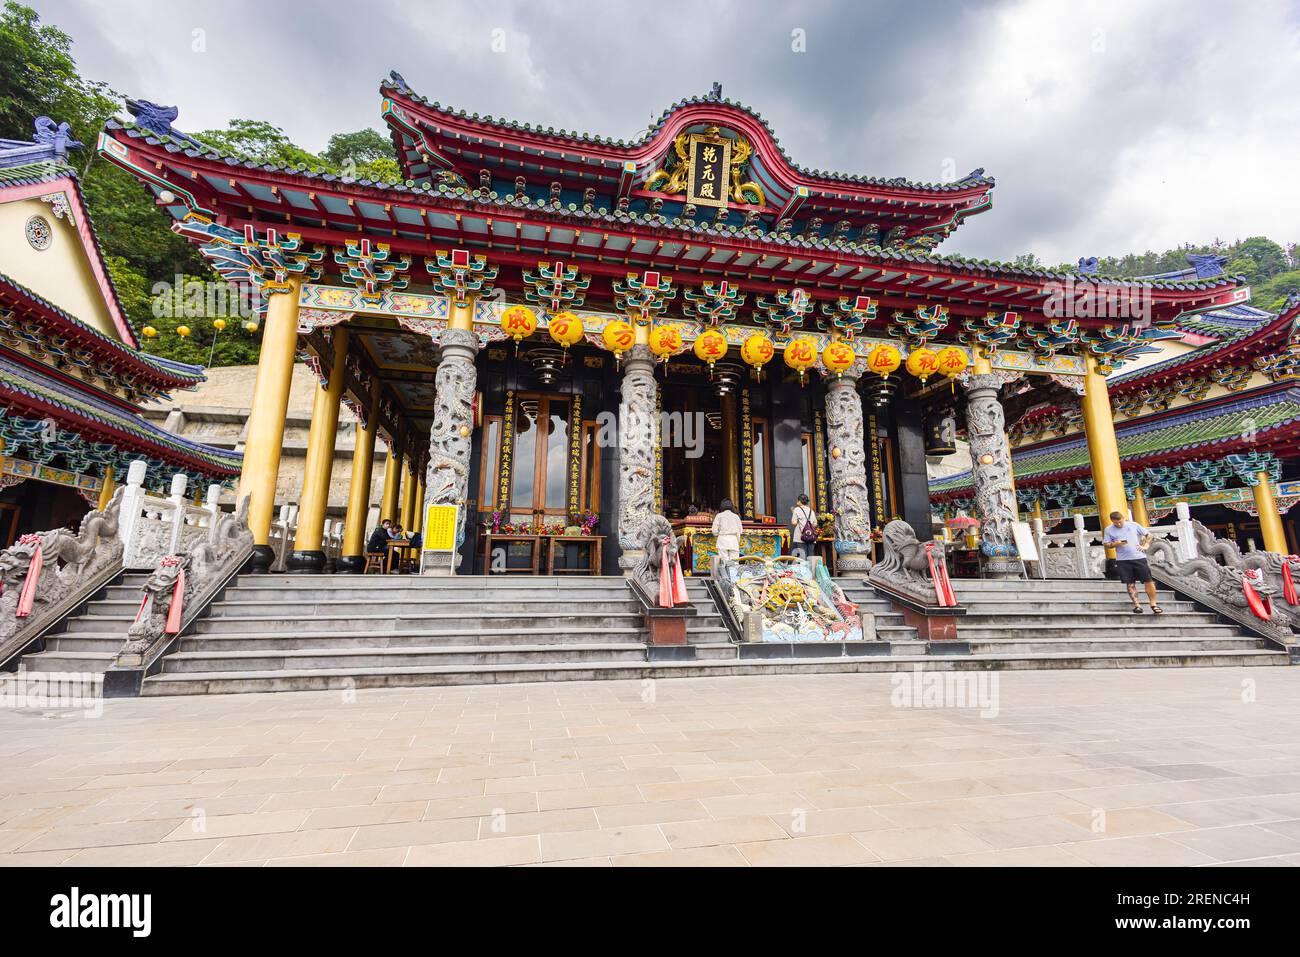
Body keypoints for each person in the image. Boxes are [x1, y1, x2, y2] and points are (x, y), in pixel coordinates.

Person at [1102, 510, 1162, 613]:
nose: (1119, 524)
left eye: (1120, 521)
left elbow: (1149, 535)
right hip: (1123, 560)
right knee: (1130, 583)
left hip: (1138, 557)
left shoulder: (1133, 525)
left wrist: (1145, 546)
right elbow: (1106, 544)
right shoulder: (1108, 530)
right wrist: (1115, 544)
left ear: (1124, 518)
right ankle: (1137, 605)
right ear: (1112, 521)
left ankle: (1153, 604)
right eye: (1116, 523)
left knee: (1148, 581)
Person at [711, 498, 743, 567]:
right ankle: (733, 577)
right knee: (734, 563)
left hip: (722, 541)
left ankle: (725, 577)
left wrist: (718, 534)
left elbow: (714, 531)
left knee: (724, 562)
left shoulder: (719, 516)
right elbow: (740, 530)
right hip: (733, 541)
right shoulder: (736, 516)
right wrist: (737, 541)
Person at [790, 493, 816, 559]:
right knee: (811, 556)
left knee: (802, 556)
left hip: (800, 536)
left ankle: (804, 569)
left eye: (798, 500)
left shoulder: (796, 509)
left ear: (800, 501)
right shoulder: (811, 511)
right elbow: (815, 523)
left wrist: (794, 513)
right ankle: (811, 569)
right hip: (811, 536)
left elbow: (794, 522)